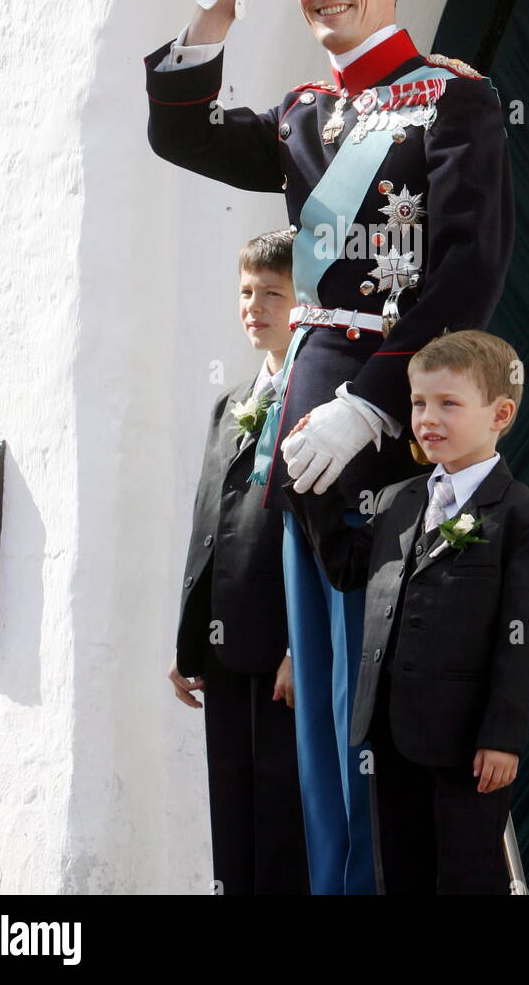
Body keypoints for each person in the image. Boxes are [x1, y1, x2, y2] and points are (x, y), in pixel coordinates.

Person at [143, 0, 515, 894]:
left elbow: (467, 271)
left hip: (387, 439)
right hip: (299, 443)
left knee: (377, 709)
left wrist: (370, 403)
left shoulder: (454, 98)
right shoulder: (306, 115)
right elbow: (179, 130)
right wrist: (218, 10)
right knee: (314, 728)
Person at [284, 330, 529, 895]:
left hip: (467, 743)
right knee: (402, 870)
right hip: (391, 730)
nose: (428, 417)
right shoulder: (398, 501)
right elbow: (347, 570)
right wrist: (309, 485)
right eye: (417, 403)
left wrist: (503, 737)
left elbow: (521, 638)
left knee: (465, 874)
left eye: (449, 404)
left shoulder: (524, 519)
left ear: (500, 414)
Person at [167, 229, 309, 896]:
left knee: (285, 820)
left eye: (271, 294)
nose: (254, 306)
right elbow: (211, 528)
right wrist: (192, 638)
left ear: (302, 303)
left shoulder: (319, 404)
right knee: (233, 807)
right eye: (246, 292)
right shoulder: (230, 405)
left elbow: (315, 533)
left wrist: (301, 650)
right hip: (226, 647)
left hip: (285, 653)